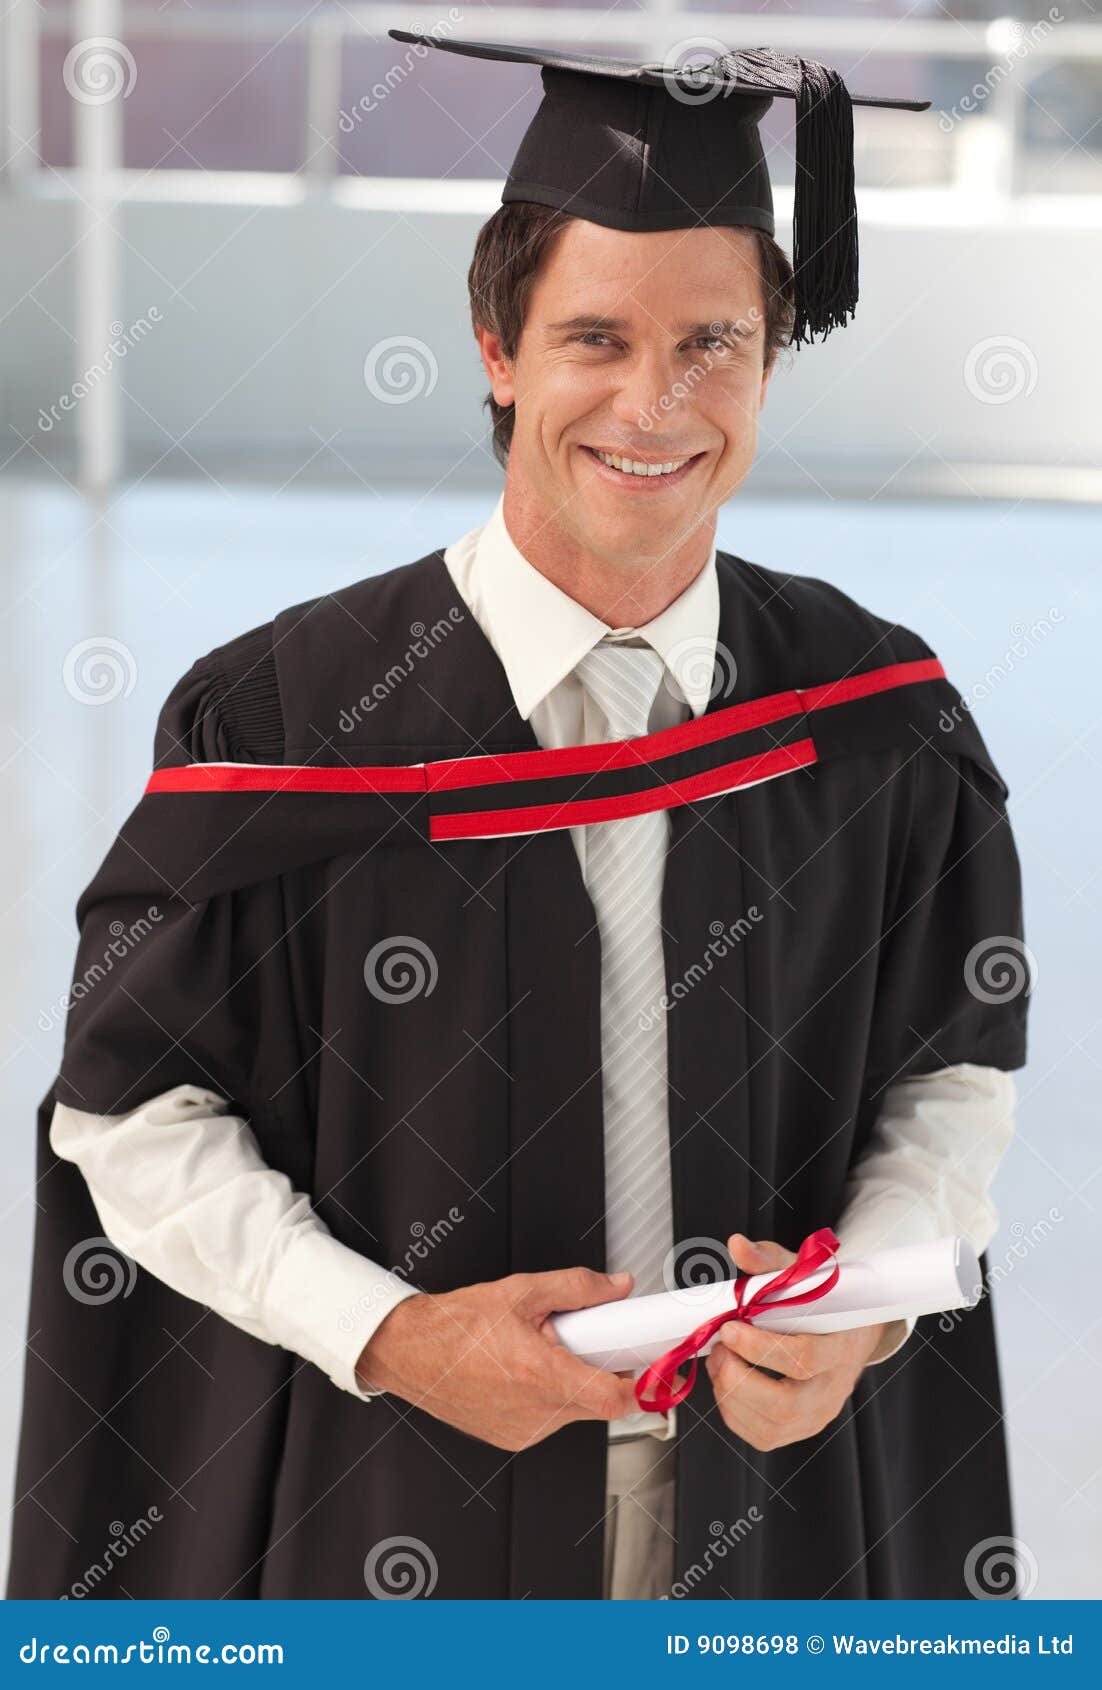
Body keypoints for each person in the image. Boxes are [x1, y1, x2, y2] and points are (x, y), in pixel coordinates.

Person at [8, 36, 1028, 1601]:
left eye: (712, 343)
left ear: (769, 358)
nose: (653, 403)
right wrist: (394, 1333)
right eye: (594, 338)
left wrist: (861, 1305)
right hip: (391, 1505)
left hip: (758, 1525)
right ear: (495, 346)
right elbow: (131, 1119)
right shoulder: (288, 720)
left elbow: (945, 1073)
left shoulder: (867, 714)